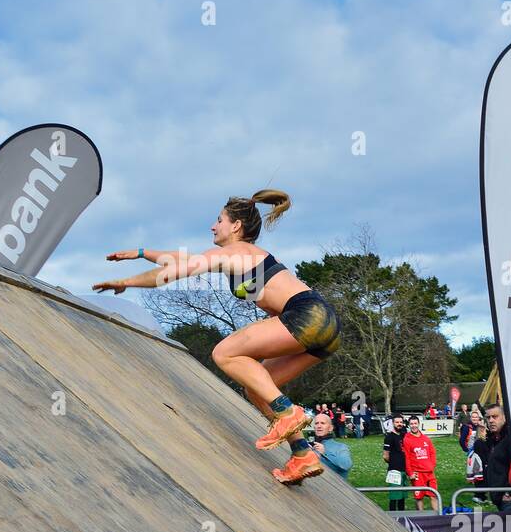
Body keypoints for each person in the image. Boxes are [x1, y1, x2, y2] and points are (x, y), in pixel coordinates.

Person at [94, 190, 341, 486]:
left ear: (236, 226)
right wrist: (141, 253)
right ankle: (302, 454)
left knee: (225, 353)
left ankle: (288, 412)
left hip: (306, 315)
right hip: (326, 328)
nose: (213, 226)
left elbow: (171, 274)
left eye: (219, 220)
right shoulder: (239, 257)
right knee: (259, 388)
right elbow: (181, 260)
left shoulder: (234, 253)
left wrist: (127, 282)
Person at [474, 403, 511, 511]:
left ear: (504, 417)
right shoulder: (492, 439)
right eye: (488, 417)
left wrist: (509, 491)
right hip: (498, 495)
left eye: (495, 417)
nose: (491, 420)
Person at [402, 416, 438, 512]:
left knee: (434, 495)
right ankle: (421, 519)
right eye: (412, 424)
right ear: (409, 425)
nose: (414, 426)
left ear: (419, 424)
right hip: (417, 473)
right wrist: (410, 473)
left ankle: (439, 517)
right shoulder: (407, 439)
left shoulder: (426, 439)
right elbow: (406, 457)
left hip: (429, 472)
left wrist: (432, 465)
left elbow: (432, 453)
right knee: (419, 498)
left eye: (415, 423)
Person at [311, 413, 352, 482]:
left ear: (330, 428)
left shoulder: (340, 447)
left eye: (322, 423)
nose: (319, 426)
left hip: (336, 488)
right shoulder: (310, 447)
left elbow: (346, 465)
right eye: (316, 423)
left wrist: (325, 453)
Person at [382, 414, 408, 511]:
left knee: (402, 496)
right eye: (397, 422)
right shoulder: (389, 437)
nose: (399, 424)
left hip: (404, 470)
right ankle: (392, 517)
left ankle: (402, 516)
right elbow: (385, 455)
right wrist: (394, 463)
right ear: (393, 423)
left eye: (401, 422)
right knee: (394, 496)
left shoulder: (404, 435)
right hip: (394, 471)